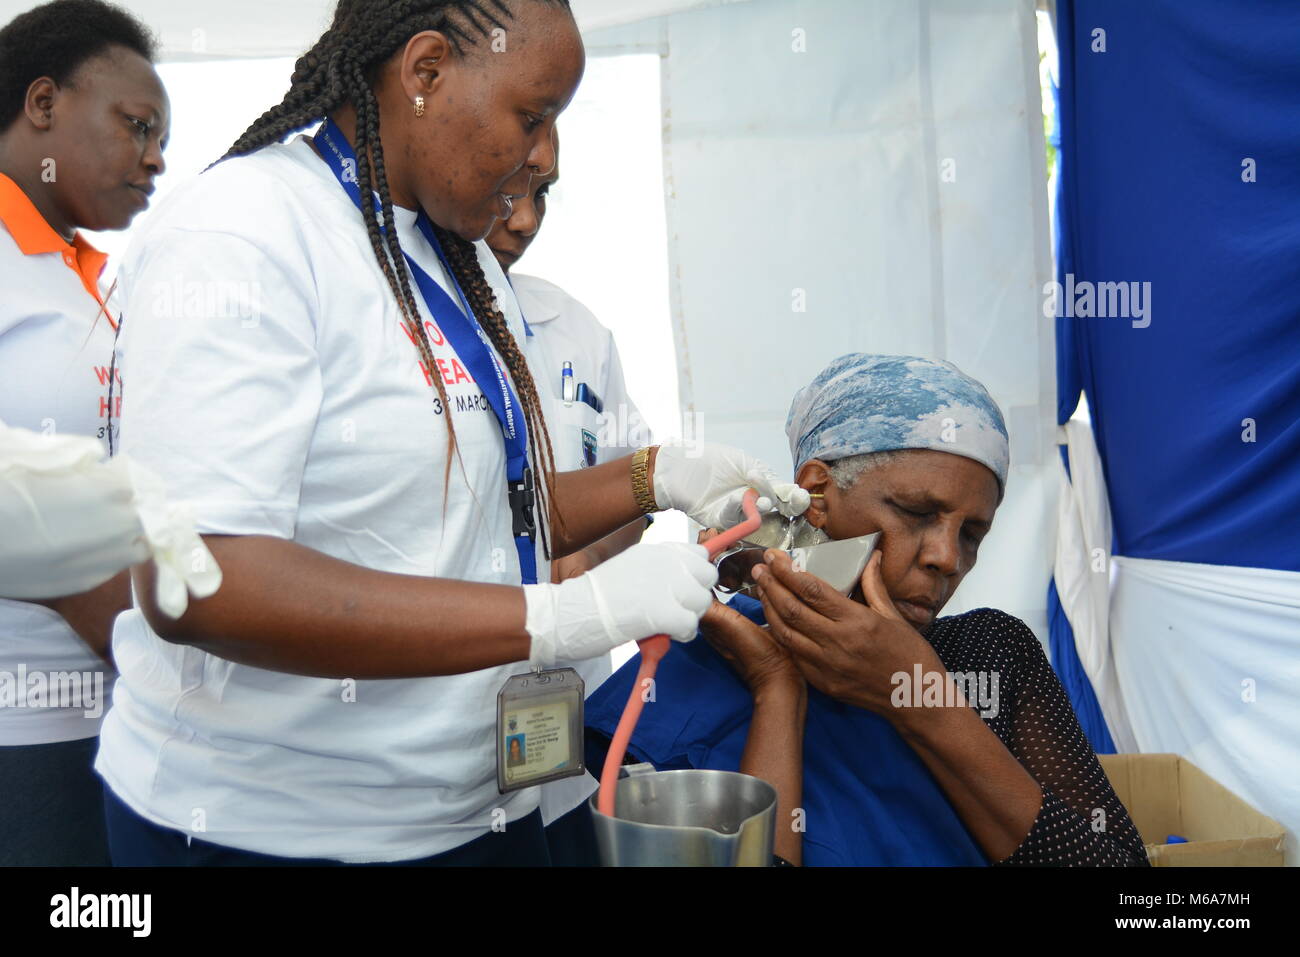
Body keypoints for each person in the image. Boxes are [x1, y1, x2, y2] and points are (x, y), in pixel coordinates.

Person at [98, 0, 807, 867]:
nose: (543, 155)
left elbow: (495, 511)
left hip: (475, 813)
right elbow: (197, 581)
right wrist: (561, 615)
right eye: (532, 115)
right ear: (426, 71)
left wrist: (660, 476)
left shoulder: (453, 256)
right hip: (274, 830)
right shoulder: (245, 232)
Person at [587, 354, 1150, 867]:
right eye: (915, 512)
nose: (946, 558)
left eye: (973, 534)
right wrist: (776, 691)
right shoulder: (707, 664)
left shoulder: (988, 654)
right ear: (816, 490)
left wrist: (922, 698)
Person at [0, 0, 168, 866]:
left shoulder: (96, 279)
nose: (156, 157)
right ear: (42, 106)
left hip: (119, 715)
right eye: (136, 126)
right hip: (21, 729)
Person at [484, 126, 653, 865]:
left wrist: (586, 556)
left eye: (541, 192)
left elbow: (634, 487)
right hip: (447, 741)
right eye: (507, 186)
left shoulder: (576, 331)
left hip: (569, 715)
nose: (524, 217)